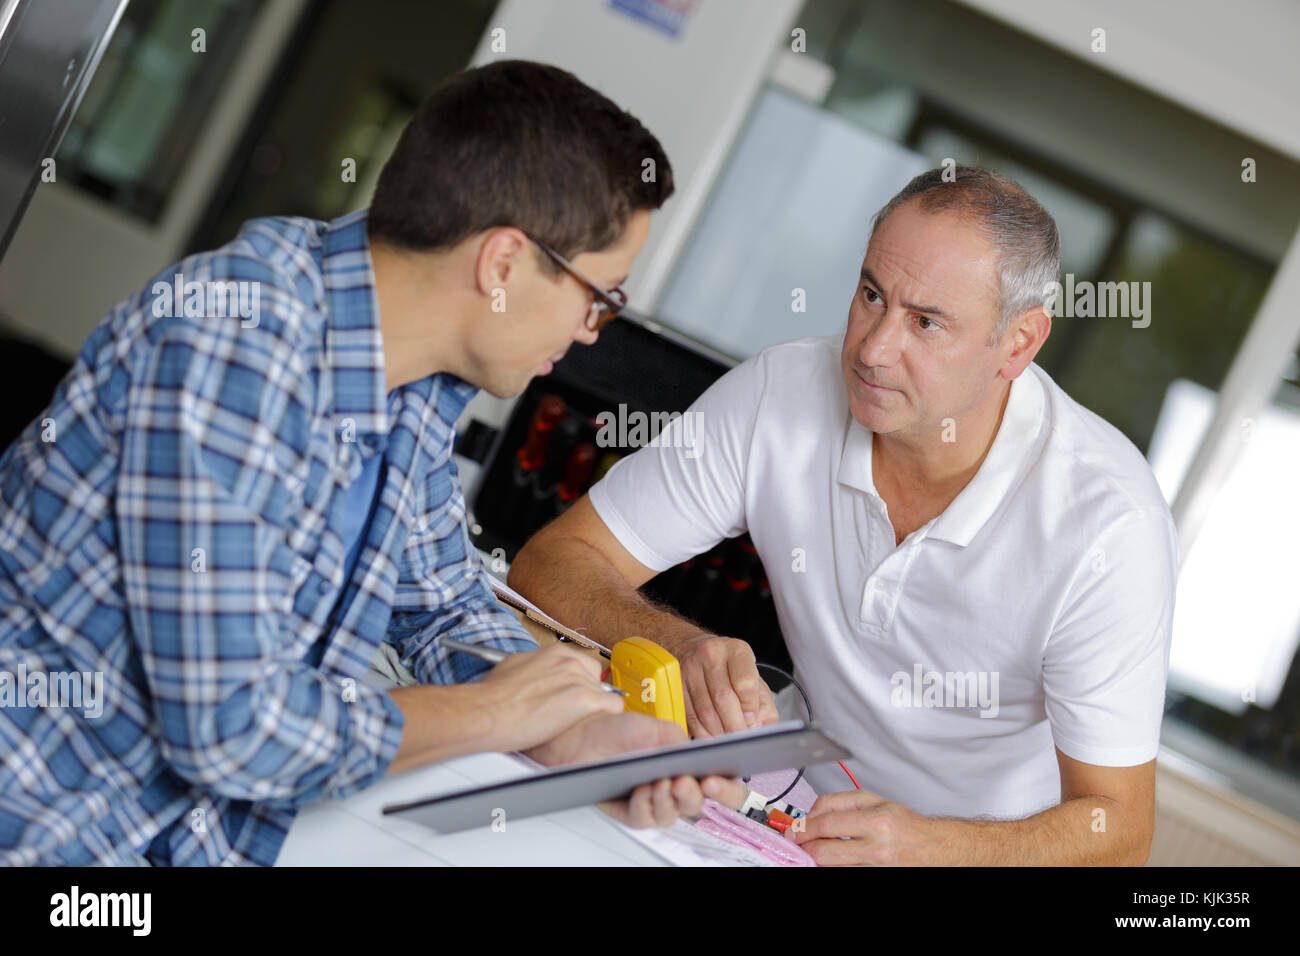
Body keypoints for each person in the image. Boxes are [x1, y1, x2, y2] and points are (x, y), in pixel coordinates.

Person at [0, 59, 739, 866]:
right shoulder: (238, 345)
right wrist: (492, 714)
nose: (593, 332)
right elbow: (236, 731)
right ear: (501, 264)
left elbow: (442, 605)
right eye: (599, 296)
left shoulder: (409, 371)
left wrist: (588, 733)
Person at [508, 166, 1178, 865]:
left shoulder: (1110, 526)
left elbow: (1118, 832)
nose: (873, 348)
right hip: (775, 808)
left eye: (926, 322)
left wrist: (924, 845)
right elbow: (550, 561)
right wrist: (675, 643)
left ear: (1018, 344)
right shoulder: (781, 391)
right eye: (871, 295)